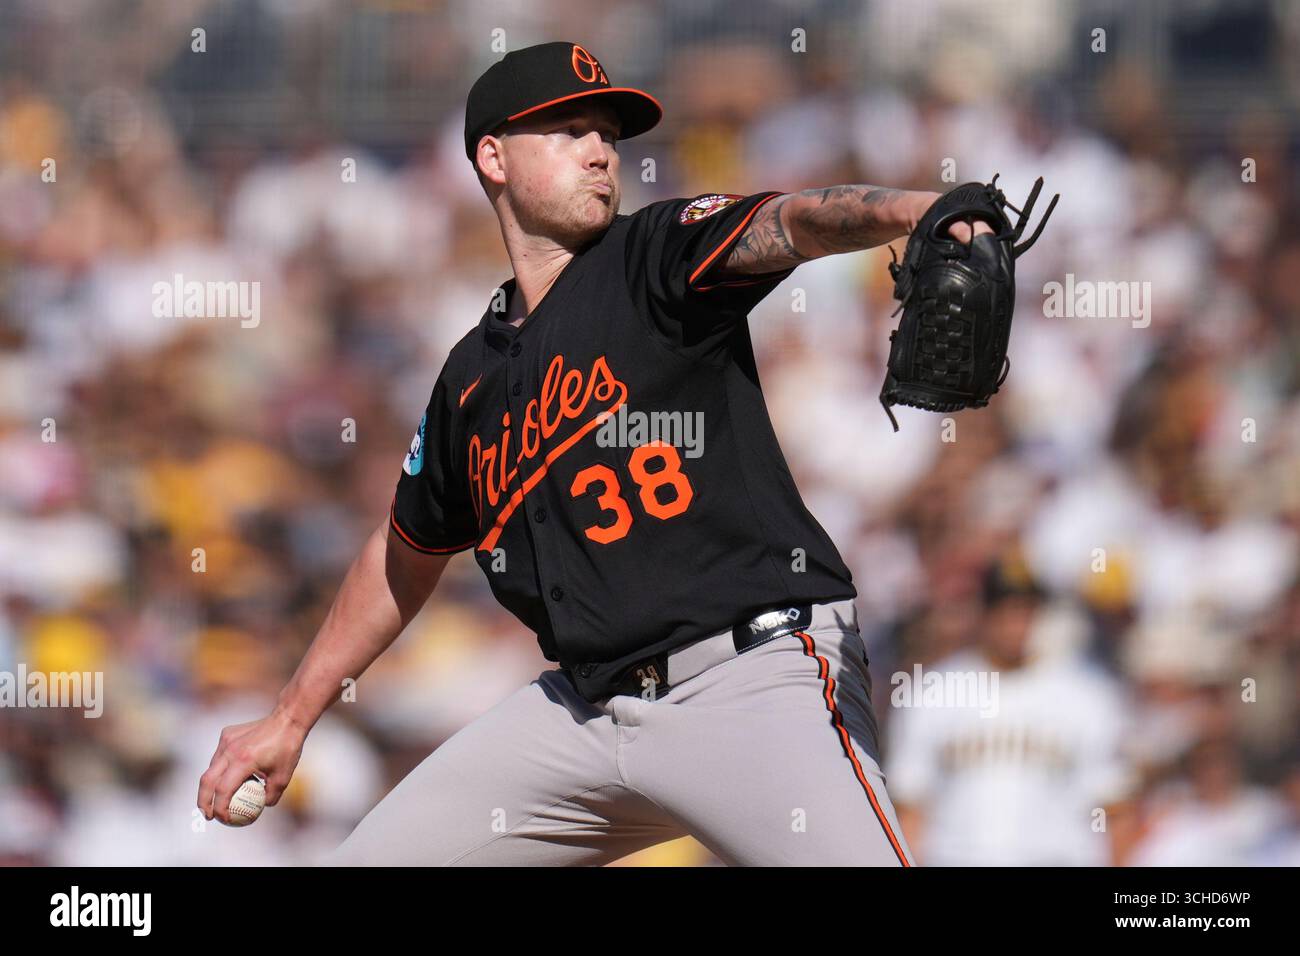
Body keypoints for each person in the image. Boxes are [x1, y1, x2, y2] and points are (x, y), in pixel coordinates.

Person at [198, 40, 988, 866]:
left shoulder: (654, 258)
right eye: (569, 129)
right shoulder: (470, 378)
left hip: (751, 681)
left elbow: (788, 222)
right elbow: (406, 551)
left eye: (607, 133)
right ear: (492, 157)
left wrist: (914, 210)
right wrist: (290, 716)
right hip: (581, 716)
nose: (600, 150)